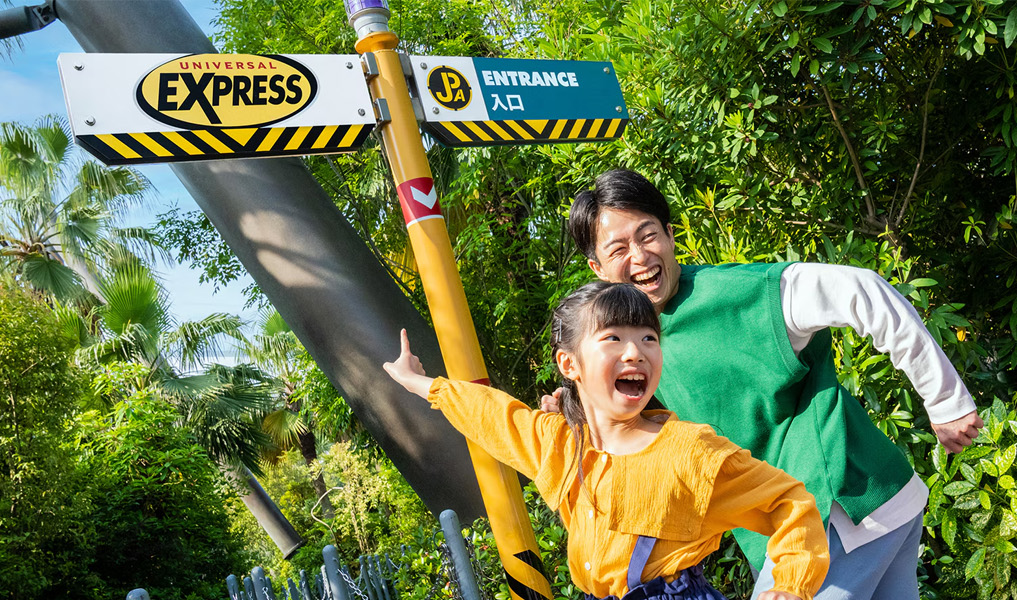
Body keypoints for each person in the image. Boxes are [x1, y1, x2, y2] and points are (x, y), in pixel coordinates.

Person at [543, 168, 983, 599]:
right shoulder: (629, 350)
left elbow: (862, 290)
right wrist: (575, 410)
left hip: (837, 509)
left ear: (671, 236)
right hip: (861, 509)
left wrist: (946, 404)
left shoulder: (746, 293)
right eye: (618, 248)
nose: (639, 257)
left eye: (647, 235)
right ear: (597, 268)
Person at [383, 282, 831, 600]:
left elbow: (789, 503)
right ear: (570, 364)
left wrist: (792, 584)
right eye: (613, 337)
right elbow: (492, 414)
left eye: (648, 338)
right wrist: (421, 385)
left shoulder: (691, 452)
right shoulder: (558, 443)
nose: (635, 351)